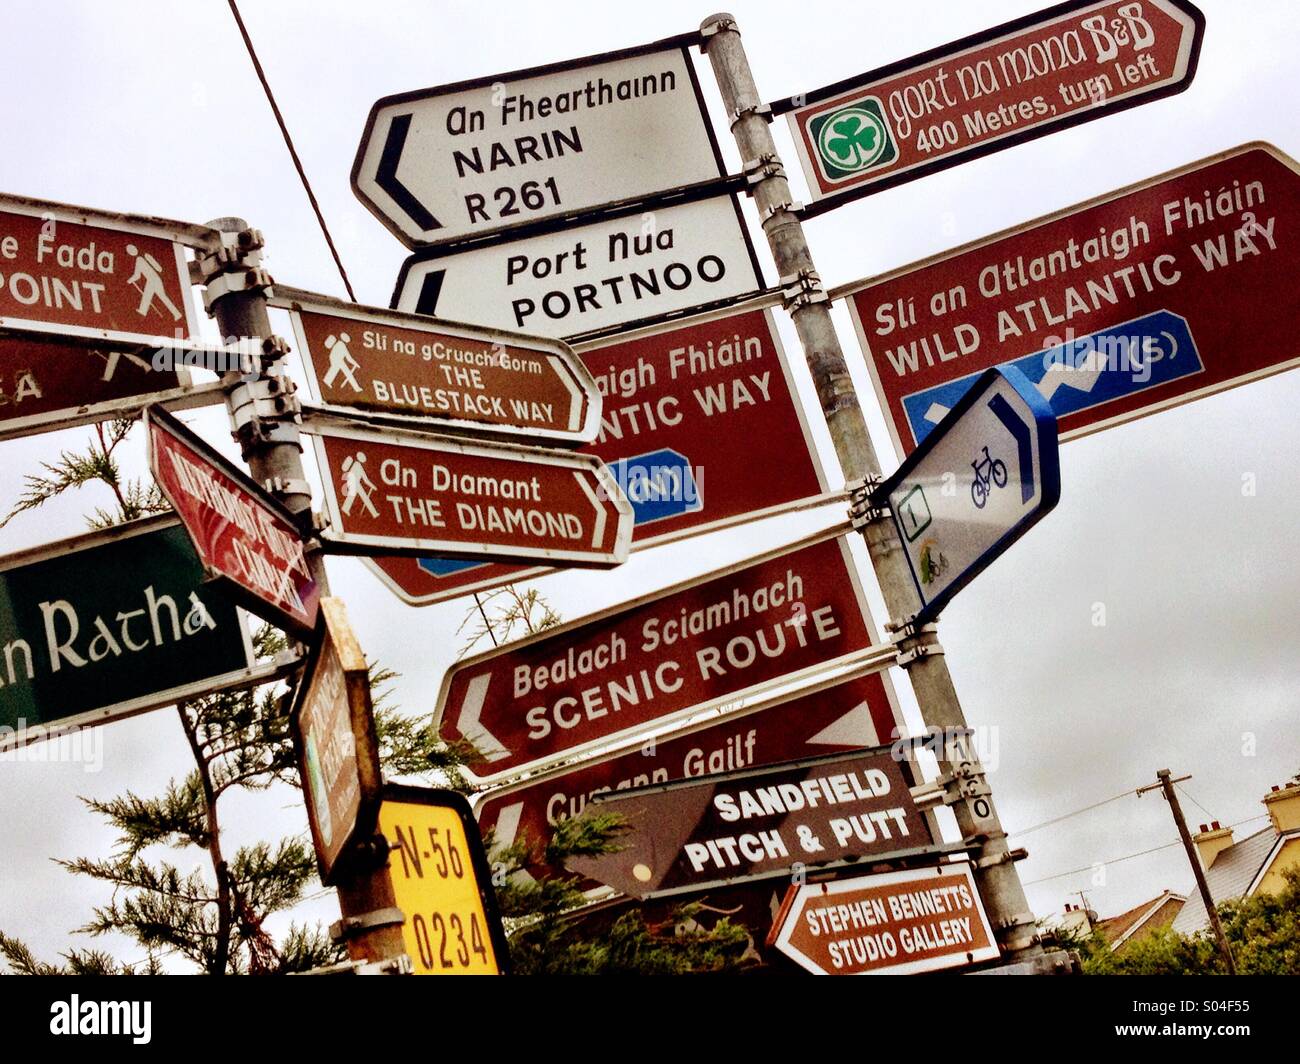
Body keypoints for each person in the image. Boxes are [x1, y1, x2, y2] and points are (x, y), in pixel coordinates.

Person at [126, 243, 183, 322]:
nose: (131, 252)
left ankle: (176, 313)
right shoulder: (145, 256)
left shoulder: (139, 260)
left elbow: (137, 275)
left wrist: (128, 281)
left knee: (156, 296)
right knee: (153, 295)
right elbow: (158, 269)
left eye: (130, 250)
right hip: (155, 279)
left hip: (153, 280)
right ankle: (143, 310)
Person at [339, 451, 379, 518]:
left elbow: (365, 479)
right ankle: (374, 513)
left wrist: (372, 486)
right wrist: (372, 486)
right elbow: (365, 479)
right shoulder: (357, 465)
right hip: (355, 483)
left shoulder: (356, 464)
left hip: (353, 483)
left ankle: (345, 508)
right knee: (365, 498)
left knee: (352, 497)